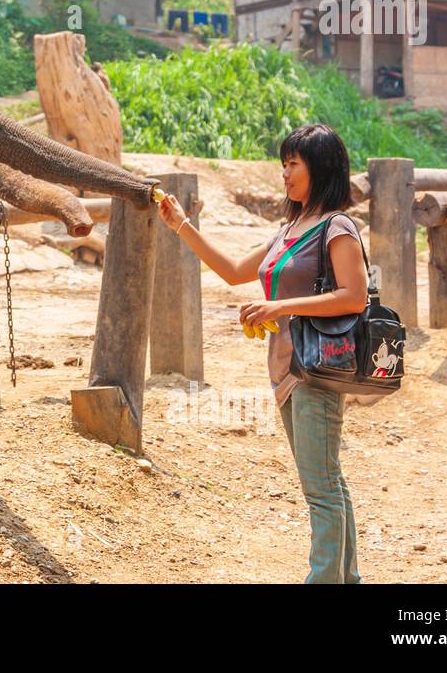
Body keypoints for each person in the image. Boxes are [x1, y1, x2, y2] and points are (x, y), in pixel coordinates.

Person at [157, 124, 369, 583]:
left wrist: (279, 305)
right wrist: (181, 225)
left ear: (321, 168)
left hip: (317, 369)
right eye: (284, 164)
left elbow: (355, 296)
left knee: (321, 490)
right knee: (329, 482)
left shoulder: (337, 227)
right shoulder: (290, 229)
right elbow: (234, 271)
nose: (285, 174)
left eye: (294, 164)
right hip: (286, 368)